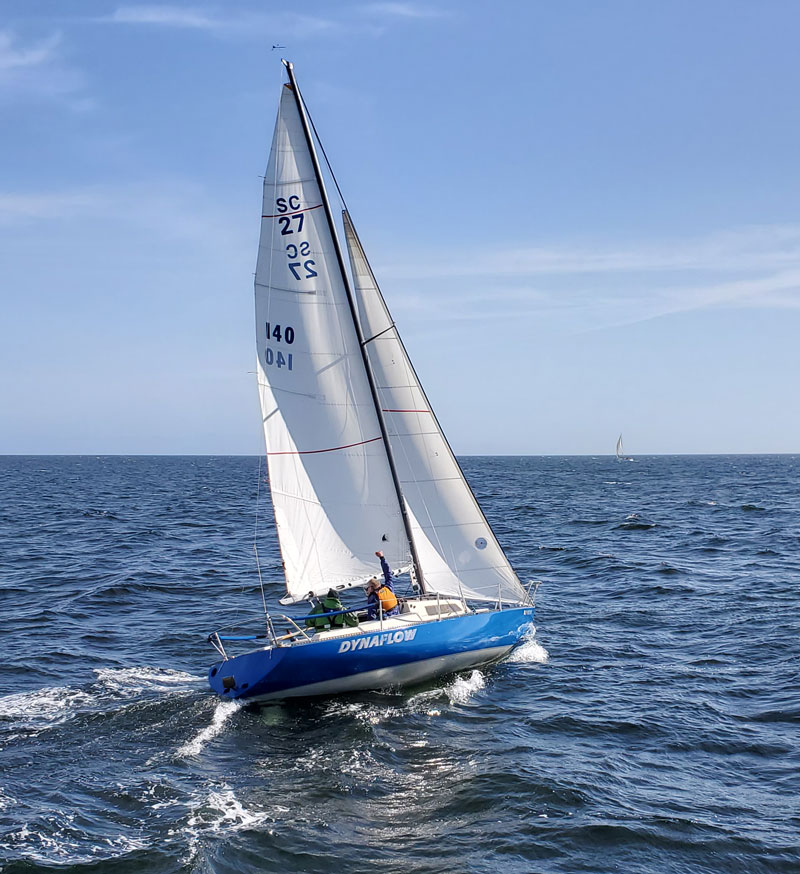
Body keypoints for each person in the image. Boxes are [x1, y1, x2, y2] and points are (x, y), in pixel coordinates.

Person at [364, 551, 400, 620]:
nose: (367, 590)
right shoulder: (388, 587)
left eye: (367, 588)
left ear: (371, 588)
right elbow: (388, 573)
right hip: (397, 614)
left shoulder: (373, 597)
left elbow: (371, 615)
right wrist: (382, 558)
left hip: (387, 618)